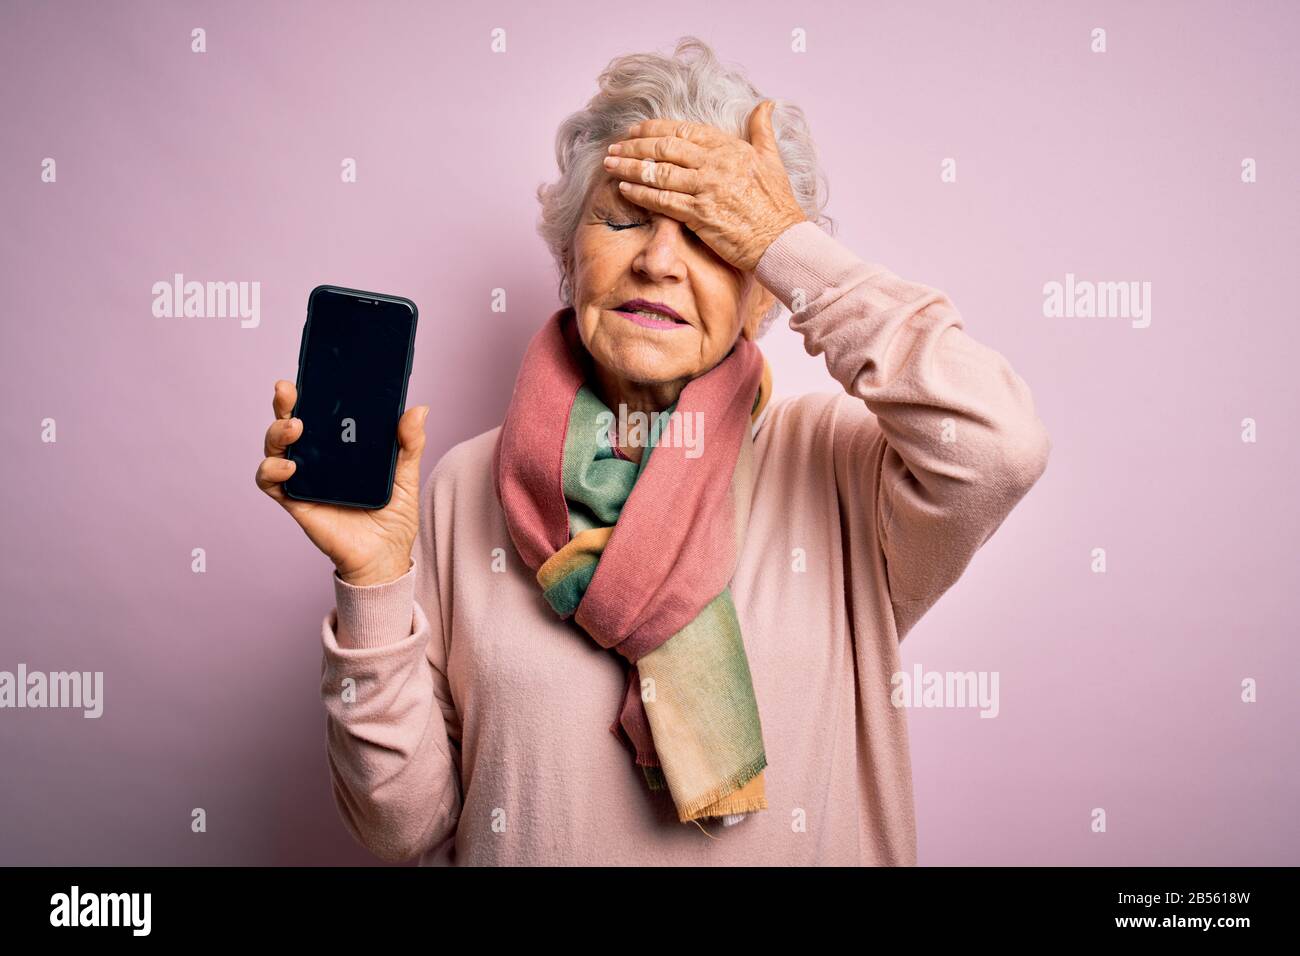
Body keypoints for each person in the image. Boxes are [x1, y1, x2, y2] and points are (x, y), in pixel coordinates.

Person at [255, 36, 1051, 865]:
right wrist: (375, 581)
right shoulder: (463, 487)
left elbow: (1001, 444)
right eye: (624, 217)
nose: (659, 261)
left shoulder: (841, 468)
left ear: (762, 292)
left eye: (712, 235)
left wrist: (786, 243)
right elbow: (403, 828)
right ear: (570, 257)